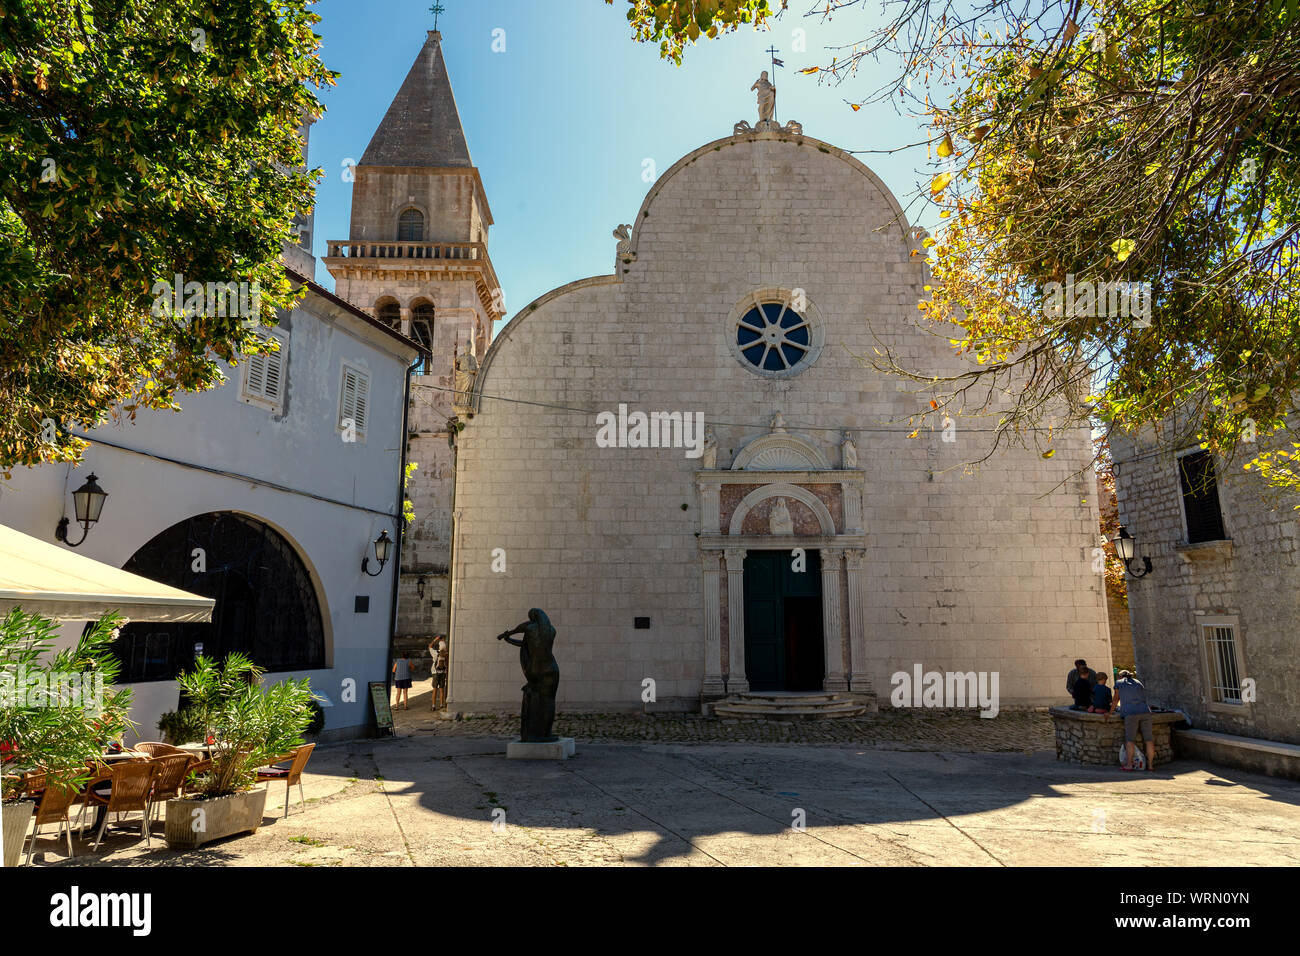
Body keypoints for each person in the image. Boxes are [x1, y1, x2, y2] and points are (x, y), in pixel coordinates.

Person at [1109, 670, 1154, 770]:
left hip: (1130, 713)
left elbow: (1116, 699)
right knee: (1149, 740)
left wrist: (1110, 712)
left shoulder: (1119, 683)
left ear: (1120, 676)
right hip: (1145, 711)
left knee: (1130, 740)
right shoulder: (1138, 682)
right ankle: (1151, 765)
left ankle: (1129, 765)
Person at [429, 634, 448, 712]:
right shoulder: (446, 654)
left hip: (435, 672)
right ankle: (441, 705)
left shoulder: (436, 653)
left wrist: (435, 639)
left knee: (435, 689)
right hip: (443, 672)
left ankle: (433, 706)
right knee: (441, 689)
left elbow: (430, 646)